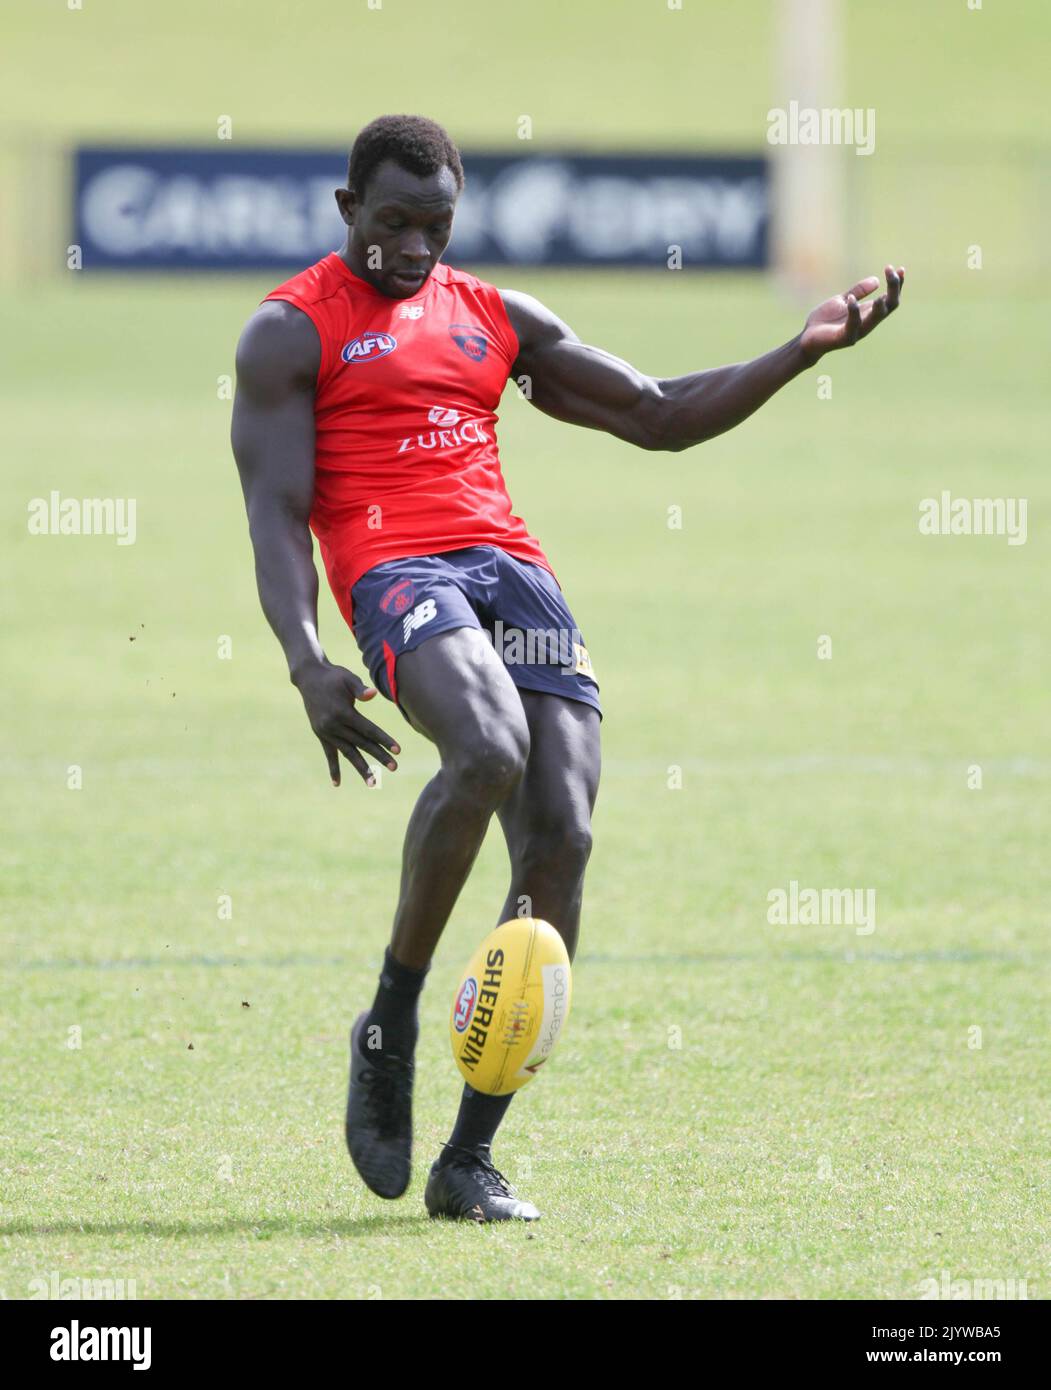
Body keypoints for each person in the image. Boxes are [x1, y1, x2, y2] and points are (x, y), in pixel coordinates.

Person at [231, 113, 904, 1223]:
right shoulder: (289, 331)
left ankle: (468, 1159)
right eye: (390, 222)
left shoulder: (494, 314)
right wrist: (306, 660)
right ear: (348, 210)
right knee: (487, 747)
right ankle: (390, 1019)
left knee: (564, 835)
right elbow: (275, 509)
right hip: (397, 573)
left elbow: (659, 416)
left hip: (511, 576)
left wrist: (801, 348)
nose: (411, 247)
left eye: (433, 225)